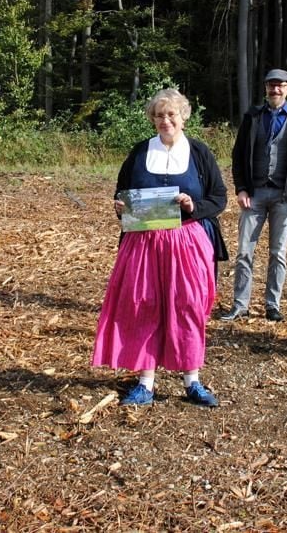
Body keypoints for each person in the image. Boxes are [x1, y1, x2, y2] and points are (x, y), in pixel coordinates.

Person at [92, 88, 228, 407]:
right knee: (144, 305)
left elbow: (219, 198)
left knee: (187, 306)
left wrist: (194, 205)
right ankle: (145, 382)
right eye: (159, 115)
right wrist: (121, 207)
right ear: (152, 119)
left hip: (187, 241)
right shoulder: (140, 151)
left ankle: (192, 380)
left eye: (171, 114)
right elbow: (123, 192)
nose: (165, 120)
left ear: (183, 116)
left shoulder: (199, 153)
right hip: (144, 242)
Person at [219, 69, 287, 323]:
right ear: (265, 88)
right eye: (271, 86)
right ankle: (240, 306)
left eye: (280, 86)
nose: (275, 90)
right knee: (244, 252)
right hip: (254, 195)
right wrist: (241, 188)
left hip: (285, 197)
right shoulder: (252, 117)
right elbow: (238, 156)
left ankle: (272, 306)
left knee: (278, 253)